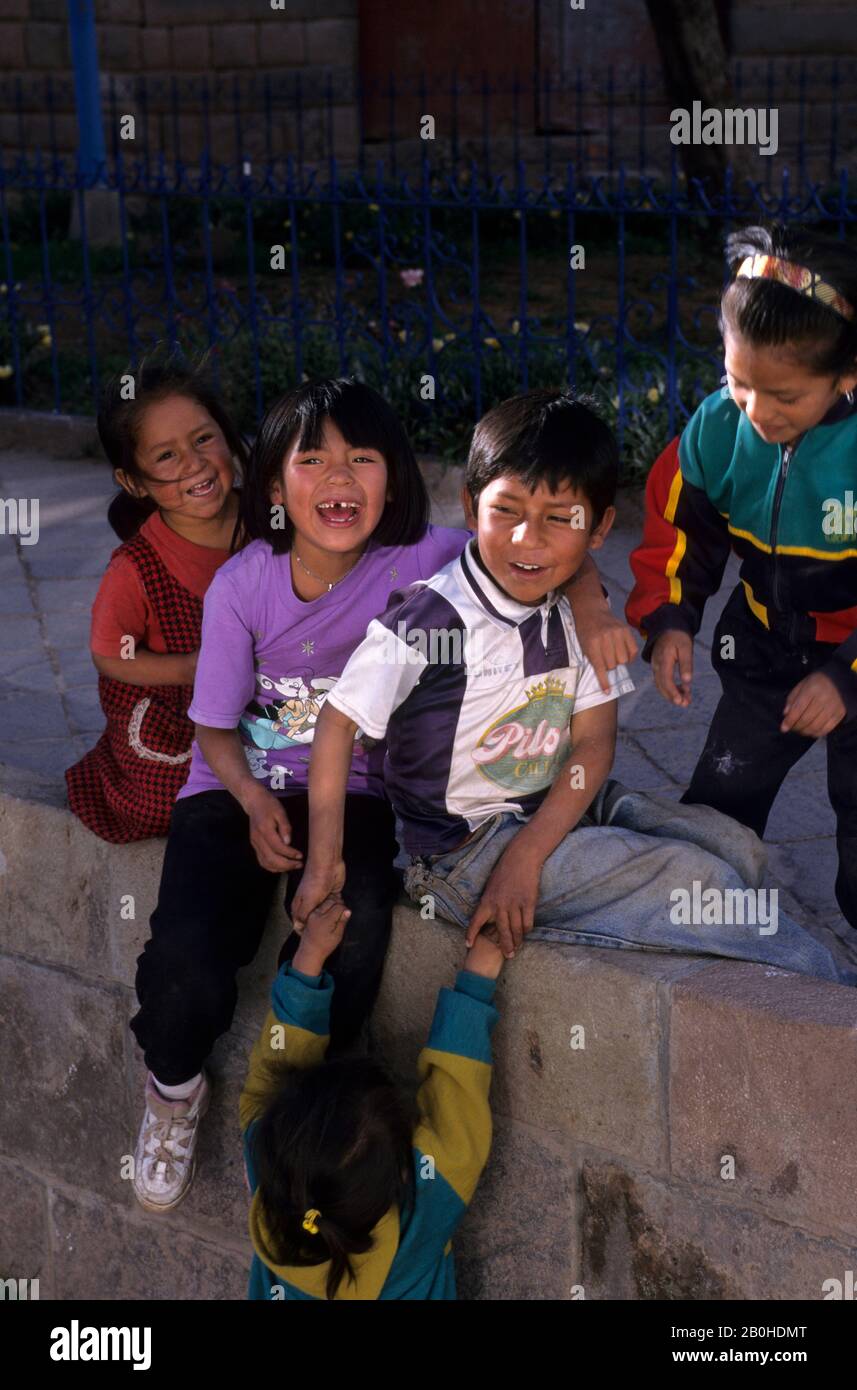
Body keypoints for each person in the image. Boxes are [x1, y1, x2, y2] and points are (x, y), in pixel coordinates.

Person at [127, 377, 632, 1214]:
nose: (338, 478)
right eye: (312, 459)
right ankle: (172, 1092)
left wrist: (587, 599)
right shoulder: (244, 587)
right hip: (234, 788)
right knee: (186, 965)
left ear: (393, 479)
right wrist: (253, 800)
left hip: (357, 792)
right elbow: (214, 726)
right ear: (274, 486)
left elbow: (539, 543)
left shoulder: (422, 559)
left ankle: (316, 1104)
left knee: (354, 931)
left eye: (361, 459)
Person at [294, 387, 848, 987]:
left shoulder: (585, 613)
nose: (528, 539)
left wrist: (531, 850)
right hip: (465, 854)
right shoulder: (434, 619)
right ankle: (835, 1000)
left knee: (735, 846)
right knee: (699, 883)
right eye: (505, 511)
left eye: (561, 519)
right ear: (470, 504)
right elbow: (340, 721)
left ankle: (747, 943)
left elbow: (593, 746)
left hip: (563, 809)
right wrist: (324, 863)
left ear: (600, 529)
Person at [626, 224, 857, 938]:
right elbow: (678, 527)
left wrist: (844, 678)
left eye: (784, 395)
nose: (757, 412)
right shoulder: (718, 427)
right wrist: (668, 619)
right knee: (716, 813)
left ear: (846, 376)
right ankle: (702, 940)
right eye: (738, 380)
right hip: (763, 646)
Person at [240, 892, 504, 1300]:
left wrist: (308, 956)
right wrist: (476, 979)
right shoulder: (418, 1223)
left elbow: (266, 1078)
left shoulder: (273, 1199)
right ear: (403, 1176)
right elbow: (457, 1104)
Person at [65, 351, 245, 843]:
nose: (194, 463)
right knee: (179, 801)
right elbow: (109, 653)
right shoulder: (136, 569)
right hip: (174, 717)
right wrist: (193, 667)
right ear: (133, 482)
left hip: (259, 701)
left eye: (203, 438)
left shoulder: (270, 523)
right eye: (166, 456)